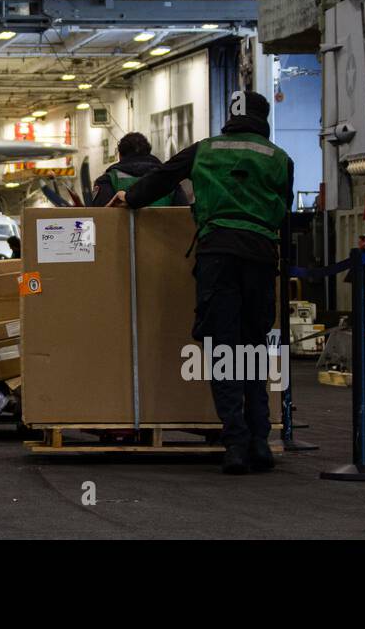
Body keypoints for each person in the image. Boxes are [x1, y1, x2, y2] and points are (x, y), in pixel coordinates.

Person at [108, 91, 292, 475]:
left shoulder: (205, 149)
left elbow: (162, 177)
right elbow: (283, 210)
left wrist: (131, 196)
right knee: (255, 347)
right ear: (263, 118)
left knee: (223, 346)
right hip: (260, 256)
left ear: (231, 115)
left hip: (218, 255)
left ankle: (236, 445)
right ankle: (261, 442)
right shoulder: (279, 158)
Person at [91, 132, 185, 206]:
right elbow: (184, 214)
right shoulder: (168, 178)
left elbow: (99, 218)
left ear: (119, 155)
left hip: (121, 230)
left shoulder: (108, 180)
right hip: (164, 230)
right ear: (148, 152)